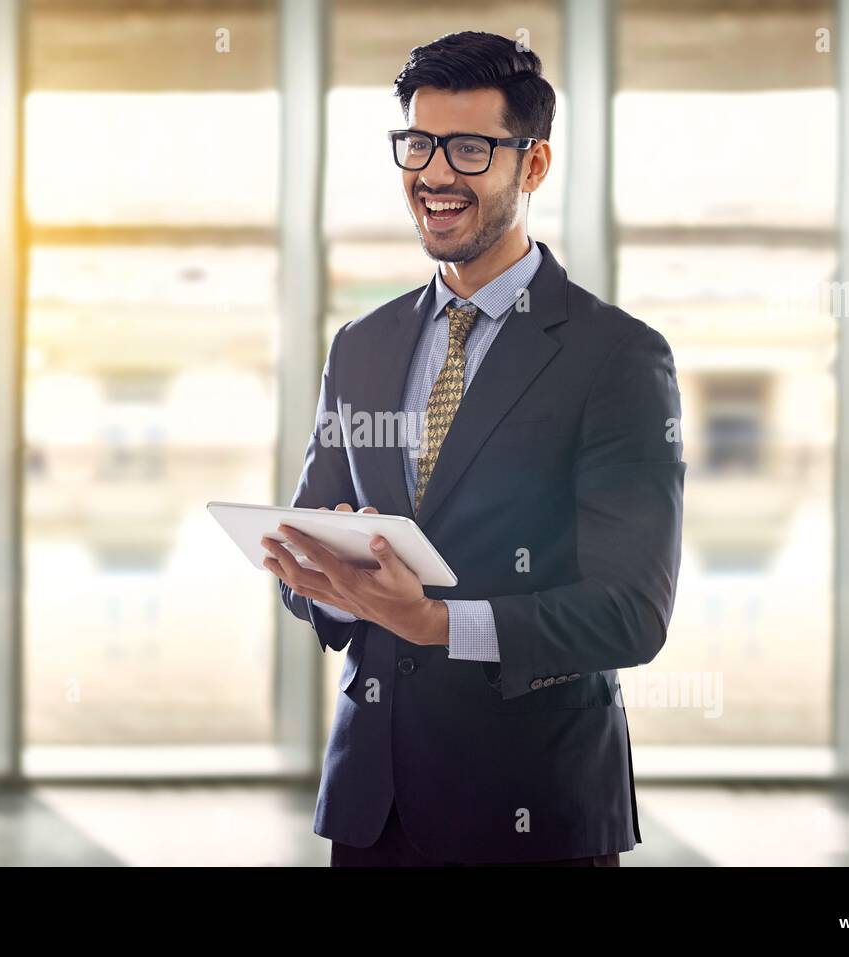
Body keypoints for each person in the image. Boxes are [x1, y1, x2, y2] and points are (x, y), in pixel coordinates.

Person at [261, 31, 685, 866]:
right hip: (372, 807)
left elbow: (630, 613)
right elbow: (316, 535)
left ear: (532, 166)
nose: (434, 175)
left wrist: (435, 621)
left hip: (535, 804)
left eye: (469, 148)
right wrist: (339, 588)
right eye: (417, 144)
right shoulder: (362, 345)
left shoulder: (617, 357)